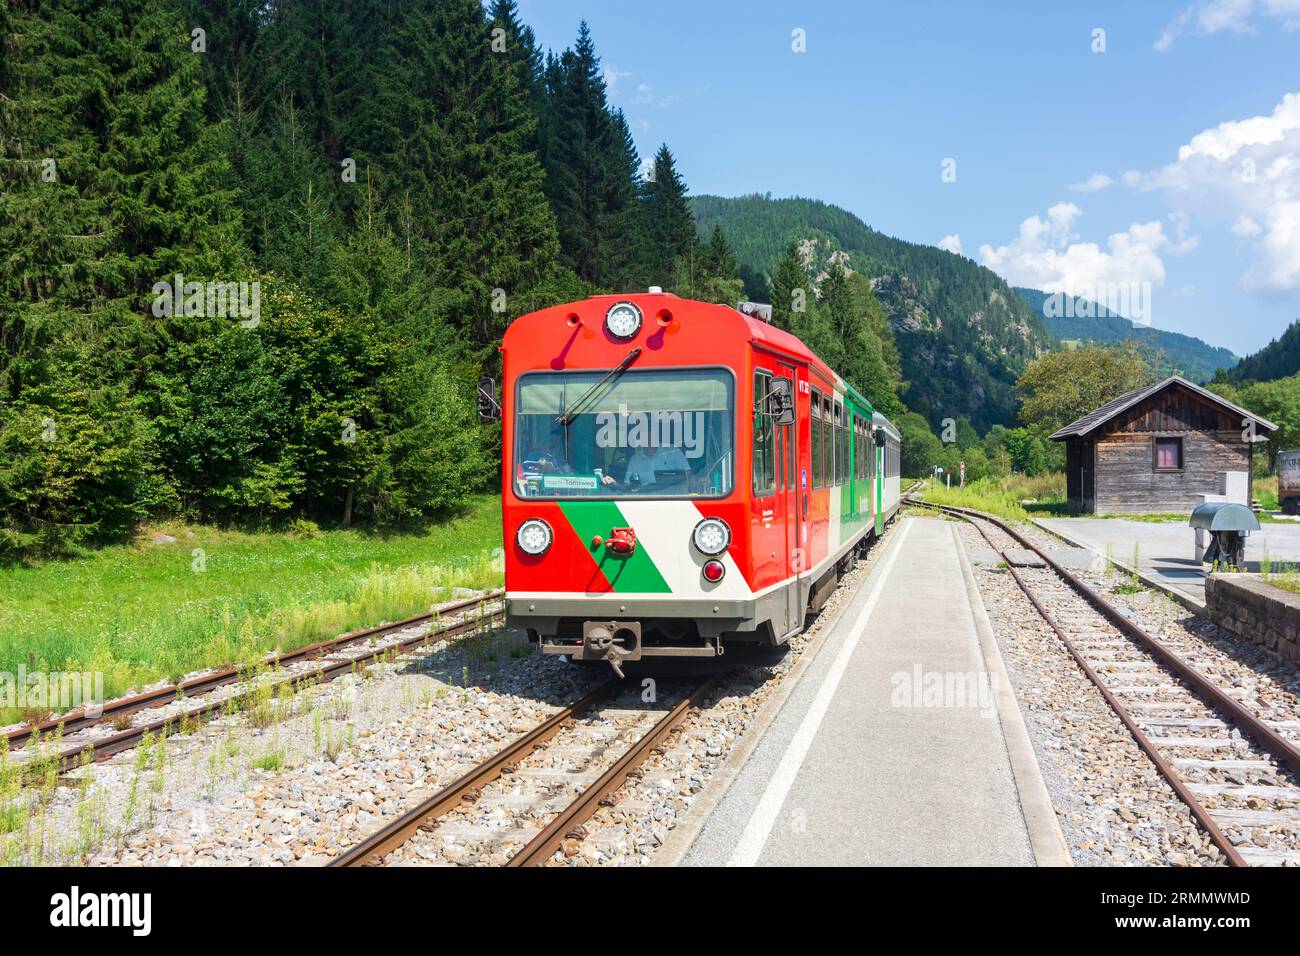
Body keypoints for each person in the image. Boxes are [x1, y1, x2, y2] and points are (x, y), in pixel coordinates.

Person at [602, 435, 688, 490]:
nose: (648, 440)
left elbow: (688, 475)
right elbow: (628, 486)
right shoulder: (635, 459)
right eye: (645, 437)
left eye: (651, 437)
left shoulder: (672, 451)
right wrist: (615, 484)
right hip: (645, 497)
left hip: (675, 497)